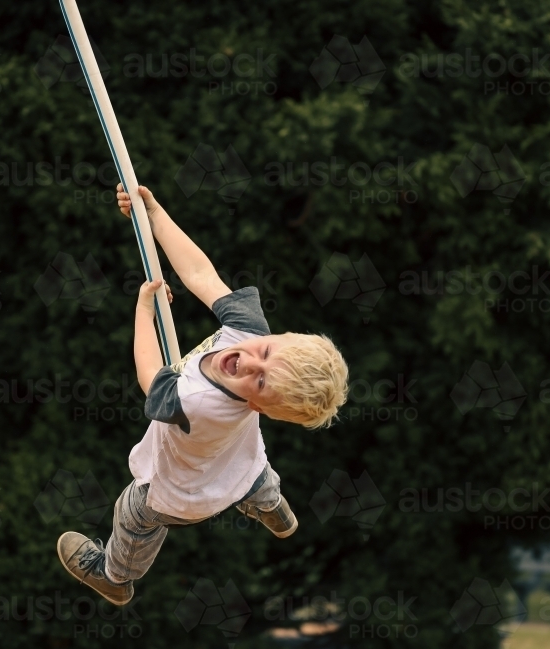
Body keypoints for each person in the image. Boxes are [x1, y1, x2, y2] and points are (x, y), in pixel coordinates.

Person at [56, 184, 349, 605]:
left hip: (182, 494)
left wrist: (143, 311)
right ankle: (273, 508)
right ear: (275, 334)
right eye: (266, 353)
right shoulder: (250, 328)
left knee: (133, 515)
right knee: (253, 474)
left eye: (261, 382)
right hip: (238, 464)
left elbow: (151, 374)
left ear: (257, 406)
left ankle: (115, 577)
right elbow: (199, 274)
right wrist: (155, 214)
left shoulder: (196, 404)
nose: (249, 362)